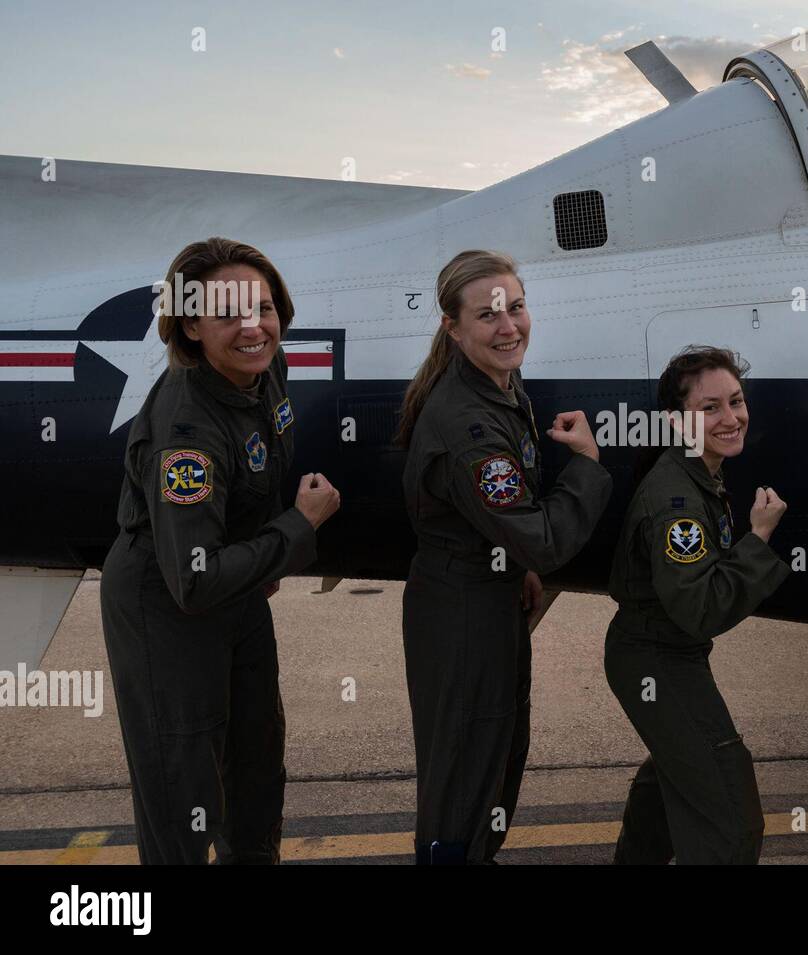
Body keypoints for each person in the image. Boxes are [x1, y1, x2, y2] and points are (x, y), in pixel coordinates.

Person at [100, 237, 341, 864]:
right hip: (169, 603)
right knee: (185, 797)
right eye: (229, 314)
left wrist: (261, 552)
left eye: (263, 307)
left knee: (257, 774)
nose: (253, 327)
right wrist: (296, 531)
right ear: (191, 325)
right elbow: (193, 580)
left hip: (233, 586)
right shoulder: (187, 433)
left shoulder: (264, 370)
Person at [396, 249, 612, 865]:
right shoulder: (468, 422)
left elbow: (511, 533)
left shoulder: (494, 387)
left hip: (486, 597)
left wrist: (519, 569)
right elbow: (539, 535)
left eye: (515, 307)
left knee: (494, 757)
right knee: (465, 773)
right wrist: (589, 469)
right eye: (488, 315)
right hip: (462, 612)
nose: (508, 325)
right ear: (453, 327)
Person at [605, 345, 790, 864]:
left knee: (673, 783)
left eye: (735, 401)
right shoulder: (677, 500)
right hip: (657, 657)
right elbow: (700, 609)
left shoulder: (695, 474)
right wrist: (757, 540)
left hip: (664, 653)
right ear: (677, 420)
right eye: (710, 408)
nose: (731, 418)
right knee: (730, 816)